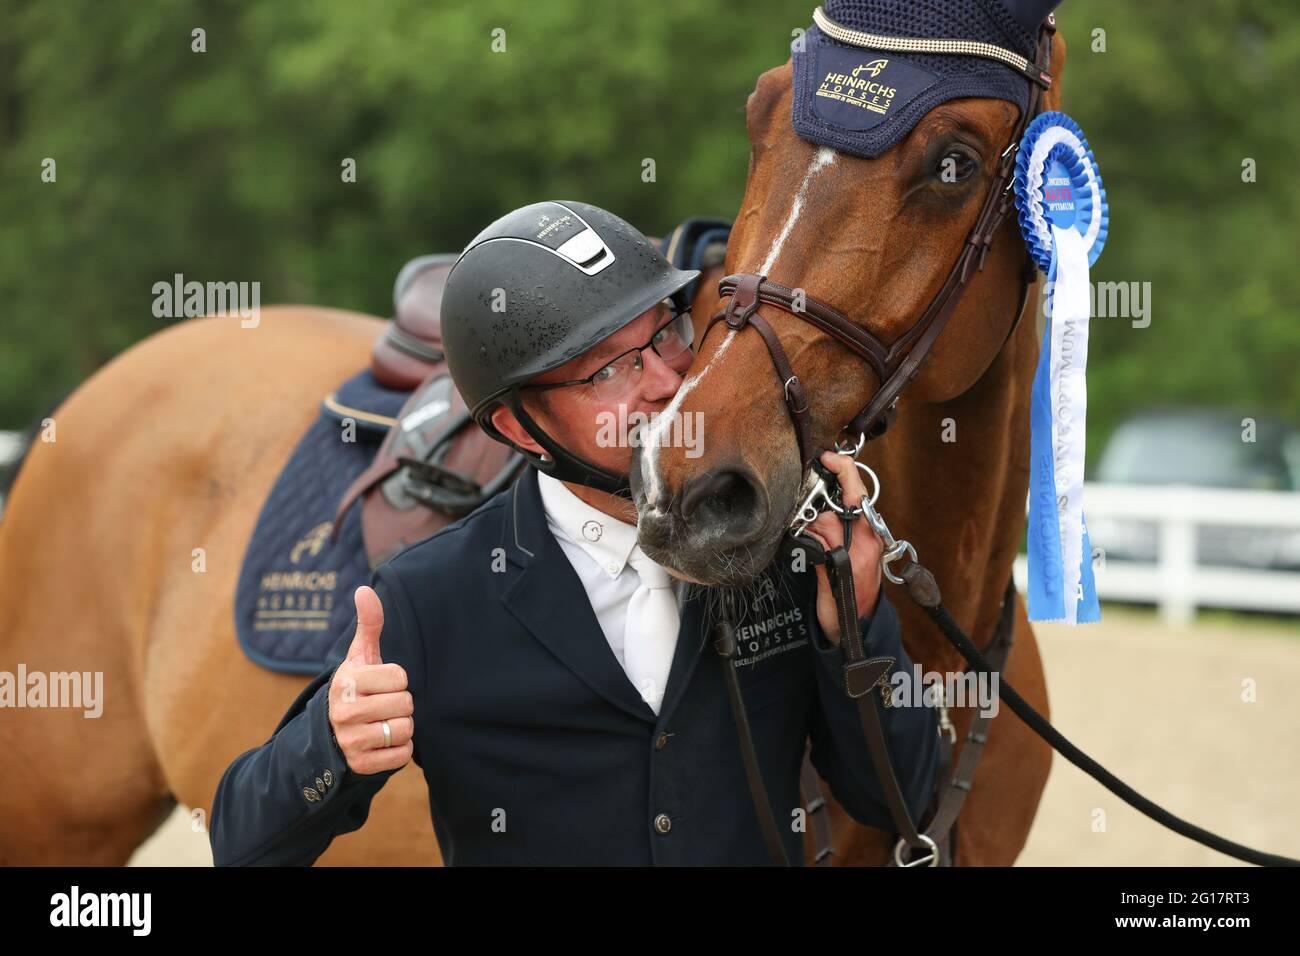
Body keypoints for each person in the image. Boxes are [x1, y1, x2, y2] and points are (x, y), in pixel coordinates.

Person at [209, 200, 940, 865]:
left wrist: (858, 623)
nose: (665, 380)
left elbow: (899, 800)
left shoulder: (779, 549)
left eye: (667, 336)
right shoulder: (429, 599)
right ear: (516, 425)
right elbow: (241, 844)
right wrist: (329, 748)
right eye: (612, 369)